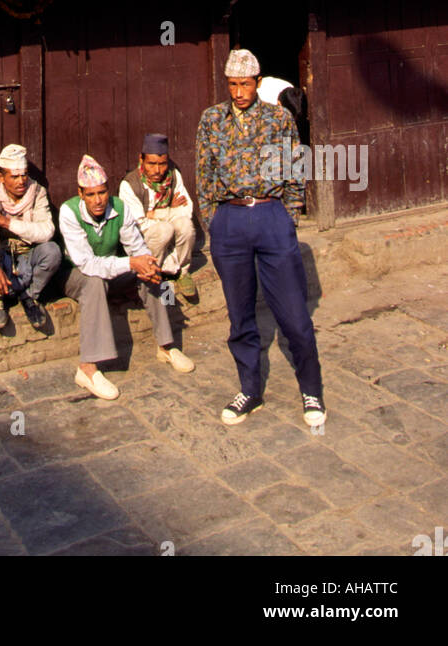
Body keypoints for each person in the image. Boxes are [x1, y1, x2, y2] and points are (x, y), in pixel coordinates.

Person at [196, 48, 325, 428]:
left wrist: (288, 216)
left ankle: (311, 389)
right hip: (230, 220)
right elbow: (204, 172)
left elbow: (294, 167)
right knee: (240, 315)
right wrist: (213, 220)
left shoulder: (278, 118)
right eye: (233, 85)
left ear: (258, 81)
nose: (239, 92)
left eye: (246, 84)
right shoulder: (212, 119)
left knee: (294, 315)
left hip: (271, 216)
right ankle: (249, 388)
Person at [60, 154, 195, 401]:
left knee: (154, 274)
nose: (98, 200)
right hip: (77, 275)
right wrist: (131, 262)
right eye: (90, 195)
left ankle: (167, 345)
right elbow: (87, 264)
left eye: (101, 193)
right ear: (81, 194)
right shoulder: (69, 212)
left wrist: (144, 262)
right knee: (94, 282)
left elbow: (135, 245)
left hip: (112, 269)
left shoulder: (118, 208)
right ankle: (88, 368)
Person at [0, 143, 61, 332]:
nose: (21, 181)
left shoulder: (37, 192)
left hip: (27, 257)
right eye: (14, 176)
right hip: (2, 259)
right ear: (1, 177)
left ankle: (30, 296)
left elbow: (46, 230)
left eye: (24, 175)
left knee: (52, 251)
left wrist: (6, 222)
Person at [119, 132, 198, 298]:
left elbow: (186, 210)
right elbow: (139, 223)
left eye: (162, 164)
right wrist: (169, 211)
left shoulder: (173, 175)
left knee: (185, 225)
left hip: (166, 235)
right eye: (152, 164)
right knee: (164, 229)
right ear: (141, 159)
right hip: (146, 242)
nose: (157, 170)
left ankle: (182, 272)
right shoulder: (129, 184)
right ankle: (154, 272)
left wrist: (155, 213)